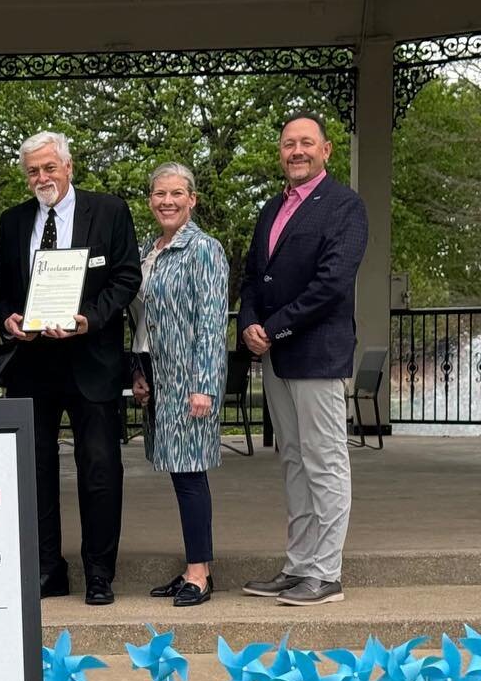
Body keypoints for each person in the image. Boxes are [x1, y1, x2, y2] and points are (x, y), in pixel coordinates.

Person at [0, 131, 141, 606]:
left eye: (49, 168)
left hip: (92, 360)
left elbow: (126, 277)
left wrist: (89, 319)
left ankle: (99, 573)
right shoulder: (14, 221)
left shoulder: (110, 211)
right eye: (33, 170)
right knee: (34, 472)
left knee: (100, 469)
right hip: (31, 364)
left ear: (68, 167)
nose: (42, 178)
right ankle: (47, 570)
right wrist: (7, 318)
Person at [238, 110, 369, 607]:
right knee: (293, 460)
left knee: (325, 462)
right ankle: (298, 567)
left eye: (306, 143)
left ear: (326, 150)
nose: (296, 151)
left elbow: (332, 284)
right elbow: (253, 276)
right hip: (275, 357)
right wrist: (249, 321)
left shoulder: (345, 207)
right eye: (289, 143)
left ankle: (327, 574)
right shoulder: (272, 208)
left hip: (316, 354)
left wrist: (271, 328)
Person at [130, 162, 230, 608]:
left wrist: (204, 385)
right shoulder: (148, 251)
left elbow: (211, 324)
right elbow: (142, 321)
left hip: (190, 379)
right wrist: (139, 372)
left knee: (191, 475)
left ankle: (199, 574)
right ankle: (196, 563)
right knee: (178, 471)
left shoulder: (204, 250)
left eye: (176, 193)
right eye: (159, 193)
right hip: (158, 376)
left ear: (192, 199)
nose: (166, 201)